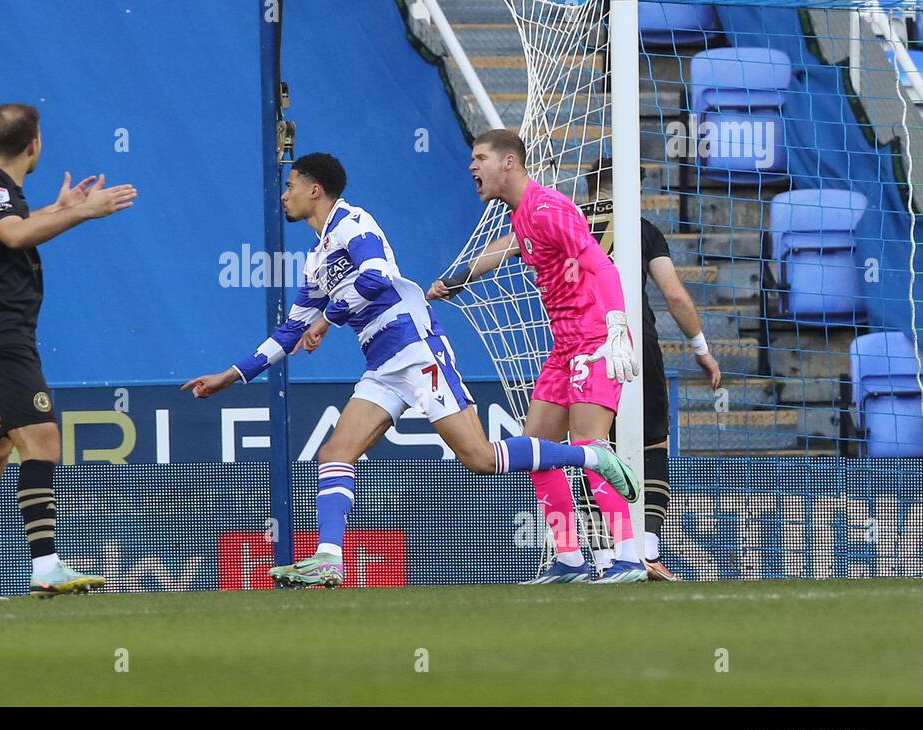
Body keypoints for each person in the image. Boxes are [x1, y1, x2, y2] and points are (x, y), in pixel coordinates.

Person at [183, 151, 635, 589]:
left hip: (416, 349)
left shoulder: (354, 222)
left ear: (314, 190)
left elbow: (377, 275)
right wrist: (232, 374)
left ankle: (592, 458)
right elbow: (289, 331)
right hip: (380, 364)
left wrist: (328, 318)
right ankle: (328, 558)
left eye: (291, 186)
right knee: (335, 453)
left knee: (478, 458)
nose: (284, 195)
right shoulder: (317, 260)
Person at [0, 103, 137, 600]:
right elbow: (14, 232)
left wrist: (62, 209)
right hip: (1, 338)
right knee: (43, 441)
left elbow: (12, 227)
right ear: (35, 144)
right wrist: (83, 213)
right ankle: (46, 566)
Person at [428, 129, 644, 584]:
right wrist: (458, 277)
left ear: (509, 163)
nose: (472, 166)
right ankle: (569, 559)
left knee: (590, 449)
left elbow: (600, 264)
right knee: (536, 450)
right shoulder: (522, 213)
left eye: (480, 157)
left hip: (593, 340)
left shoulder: (550, 209)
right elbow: (502, 249)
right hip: (563, 346)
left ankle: (628, 556)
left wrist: (617, 328)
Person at [578, 171, 722, 581]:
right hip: (634, 343)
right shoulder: (642, 230)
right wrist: (701, 350)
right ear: (627, 190)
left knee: (592, 446)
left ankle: (605, 556)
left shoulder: (568, 226)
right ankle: (648, 549)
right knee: (653, 443)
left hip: (582, 347)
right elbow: (674, 294)